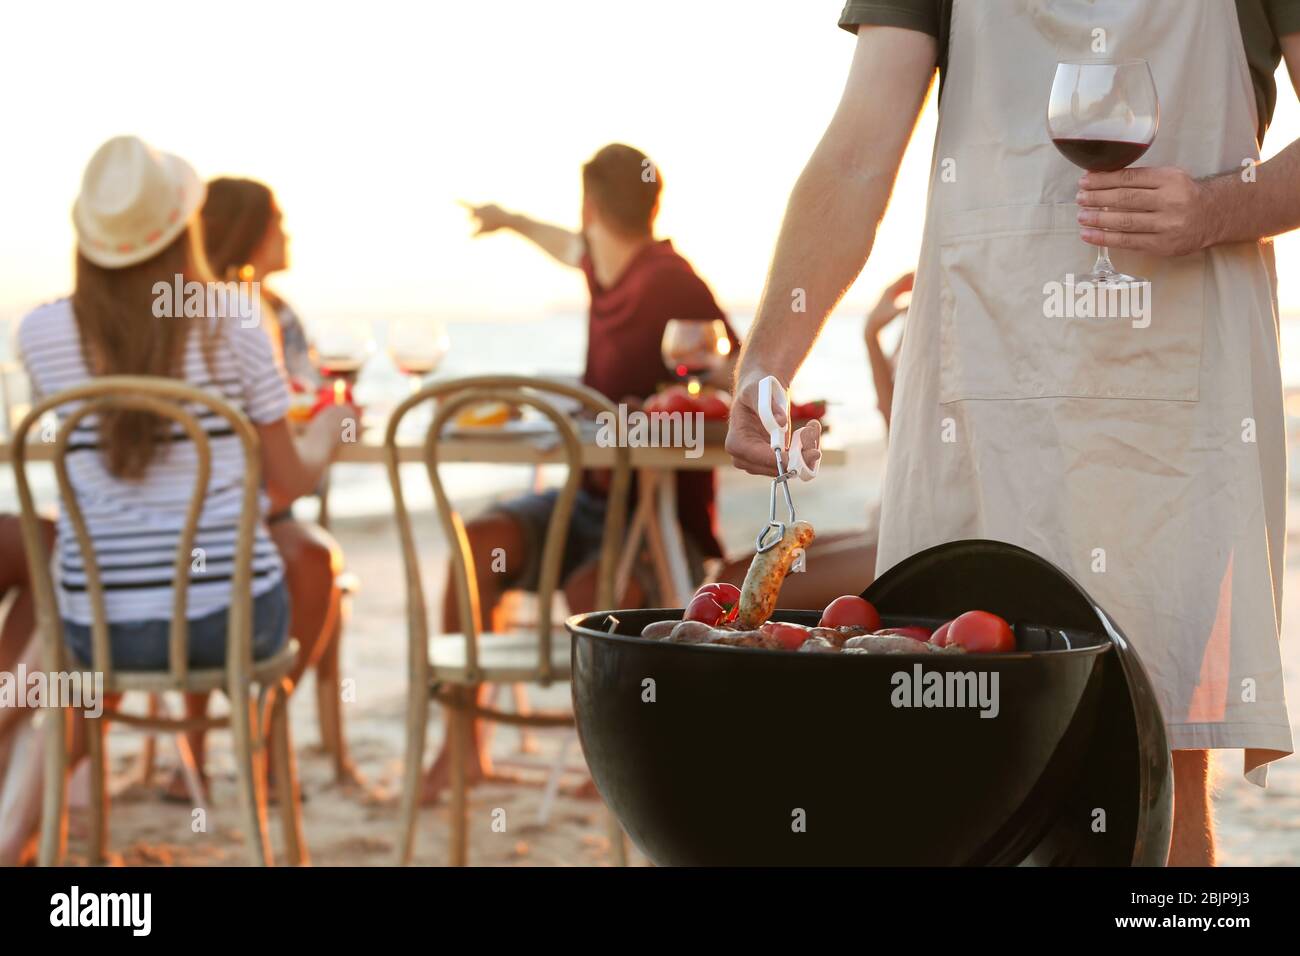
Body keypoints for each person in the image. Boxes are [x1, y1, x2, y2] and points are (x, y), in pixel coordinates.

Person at [725, 4, 1299, 866]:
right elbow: (856, 157)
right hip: (983, 387)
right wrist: (767, 356)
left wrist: (1217, 209)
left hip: (1182, 399)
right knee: (961, 751)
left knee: (1160, 768)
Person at [0, 135, 354, 858]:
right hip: (230, 624)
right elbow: (287, 482)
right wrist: (331, 431)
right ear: (181, 231)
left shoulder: (40, 334)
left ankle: (10, 836)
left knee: (66, 632)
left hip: (100, 630)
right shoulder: (237, 323)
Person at [423, 143, 741, 799]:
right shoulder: (605, 267)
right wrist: (507, 219)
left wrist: (674, 400)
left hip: (655, 518)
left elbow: (731, 370)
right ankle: (463, 749)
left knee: (596, 594)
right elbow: (564, 245)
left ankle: (620, 759)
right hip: (587, 500)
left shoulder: (671, 278)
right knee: (476, 548)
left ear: (590, 204)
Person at [197, 177, 361, 793]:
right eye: (278, 221)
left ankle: (268, 728)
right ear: (249, 231)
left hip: (264, 501)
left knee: (315, 559)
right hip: (219, 507)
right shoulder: (208, 312)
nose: (288, 233)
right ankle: (196, 760)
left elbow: (300, 388)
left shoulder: (278, 313)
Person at [713, 272, 913, 604]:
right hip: (888, 529)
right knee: (729, 576)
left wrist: (872, 337)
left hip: (920, 543)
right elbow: (900, 424)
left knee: (734, 593)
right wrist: (871, 337)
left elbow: (899, 426)